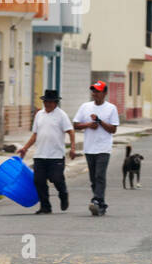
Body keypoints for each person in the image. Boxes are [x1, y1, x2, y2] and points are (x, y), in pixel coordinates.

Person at [17, 89, 75, 215]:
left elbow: (70, 131)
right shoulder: (39, 115)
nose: (47, 104)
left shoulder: (61, 115)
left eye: (50, 102)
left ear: (55, 102)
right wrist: (25, 148)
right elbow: (35, 135)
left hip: (56, 156)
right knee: (39, 181)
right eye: (46, 101)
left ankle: (63, 194)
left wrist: (73, 148)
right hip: (40, 155)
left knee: (56, 179)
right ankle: (45, 207)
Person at [73, 81, 121, 216]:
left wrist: (100, 122)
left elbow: (113, 129)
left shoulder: (111, 108)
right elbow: (75, 125)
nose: (95, 94)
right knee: (93, 177)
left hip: (103, 148)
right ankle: (101, 203)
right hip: (89, 148)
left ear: (105, 93)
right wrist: (88, 124)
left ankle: (96, 199)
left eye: (98, 91)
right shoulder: (85, 107)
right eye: (93, 91)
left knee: (100, 175)